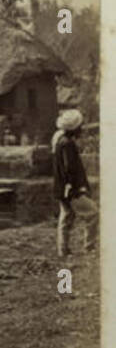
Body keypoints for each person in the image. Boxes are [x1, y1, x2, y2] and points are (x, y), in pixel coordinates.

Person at [52, 109, 96, 257]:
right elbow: (69, 168)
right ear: (75, 129)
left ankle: (62, 249)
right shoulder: (68, 144)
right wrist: (76, 188)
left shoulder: (59, 140)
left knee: (66, 216)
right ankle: (89, 247)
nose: (81, 129)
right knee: (93, 214)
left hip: (61, 188)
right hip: (70, 189)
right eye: (80, 126)